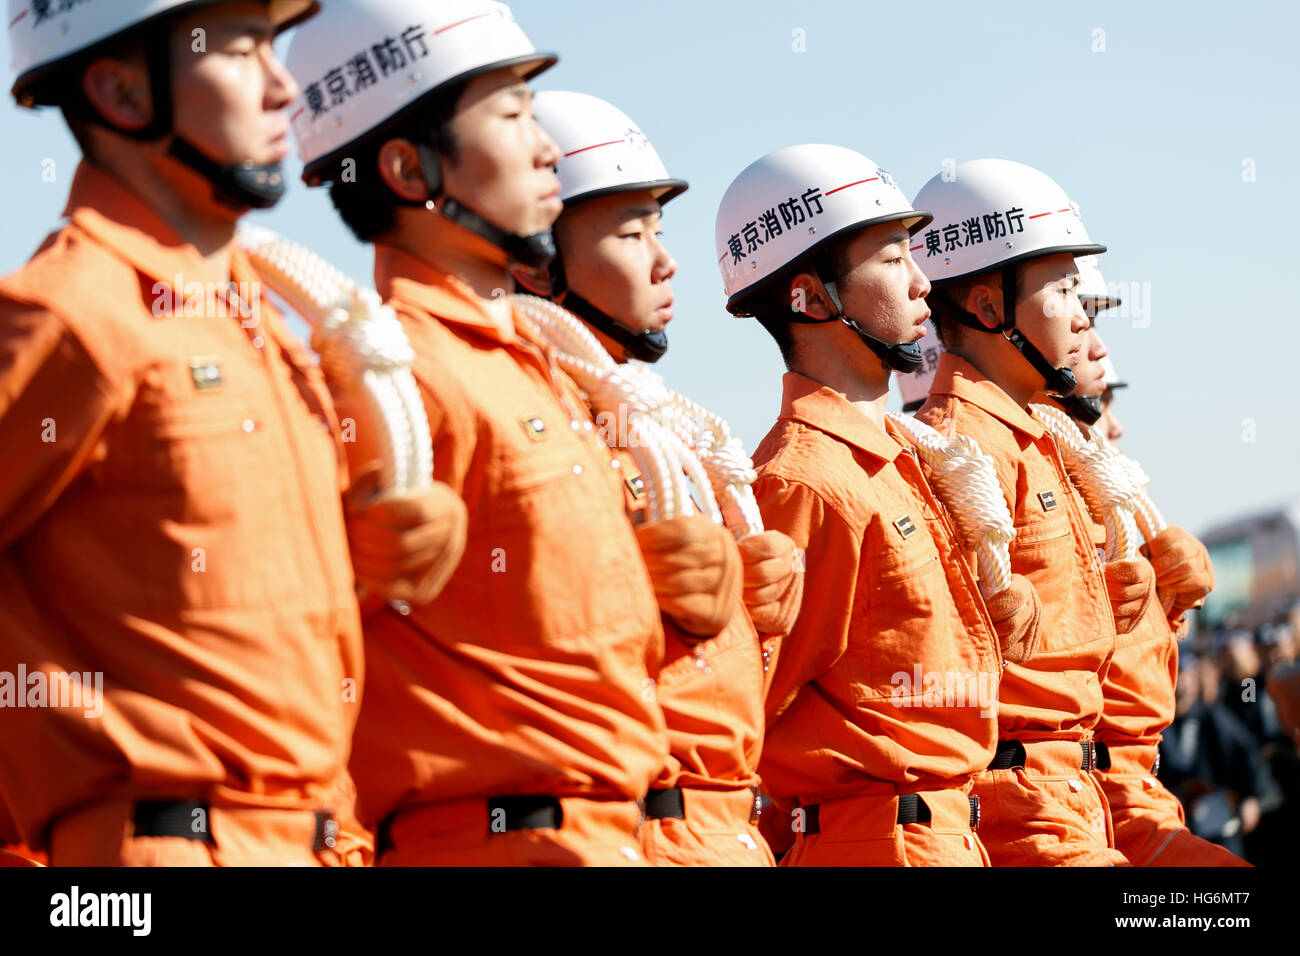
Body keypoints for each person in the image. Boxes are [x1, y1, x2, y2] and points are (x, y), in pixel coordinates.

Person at [0, 0, 466, 866]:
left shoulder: (263, 328)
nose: (284, 87)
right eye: (242, 51)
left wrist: (362, 564)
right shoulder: (71, 313)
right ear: (121, 91)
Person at [288, 0, 675, 865]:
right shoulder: (394, 378)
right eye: (511, 115)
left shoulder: (538, 369)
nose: (546, 150)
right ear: (407, 166)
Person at [714, 144, 1042, 866]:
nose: (924, 282)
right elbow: (745, 716)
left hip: (939, 835)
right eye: (893, 260)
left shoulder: (901, 461)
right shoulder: (803, 482)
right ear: (811, 297)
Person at [520, 90, 805, 865]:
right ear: (537, 264)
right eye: (631, 231)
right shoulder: (531, 424)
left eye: (660, 228)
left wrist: (756, 615)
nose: (664, 259)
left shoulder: (677, 443)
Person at [910, 159, 1132, 865]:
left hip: (1068, 798)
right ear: (985, 309)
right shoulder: (963, 449)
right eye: (1064, 288)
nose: (1079, 315)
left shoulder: (1030, 436)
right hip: (1023, 811)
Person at [1034, 262, 1246, 865]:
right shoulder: (1014, 491)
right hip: (1074, 813)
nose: (1116, 425)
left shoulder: (1087, 501)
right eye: (1100, 404)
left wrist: (1167, 611)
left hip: (1110, 805)